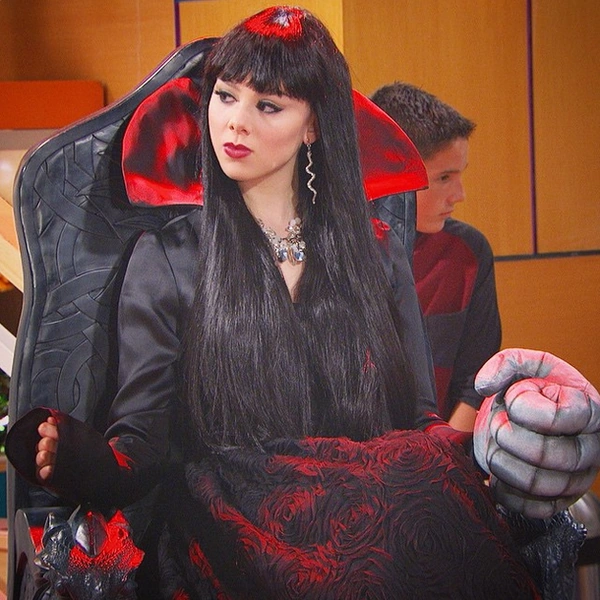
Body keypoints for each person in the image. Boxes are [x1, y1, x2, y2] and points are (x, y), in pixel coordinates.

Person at [5, 6, 599, 599]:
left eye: (268, 106)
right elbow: (140, 443)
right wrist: (83, 458)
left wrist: (505, 442)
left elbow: (419, 419)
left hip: (376, 504)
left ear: (313, 125)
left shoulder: (375, 252)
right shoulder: (169, 258)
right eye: (225, 96)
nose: (235, 122)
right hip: (236, 520)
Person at [371, 82, 500, 432]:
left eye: (460, 175)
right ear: (391, 173)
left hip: (441, 451)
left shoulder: (469, 253)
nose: (459, 195)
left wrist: (442, 454)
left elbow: (478, 384)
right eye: (444, 177)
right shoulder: (334, 251)